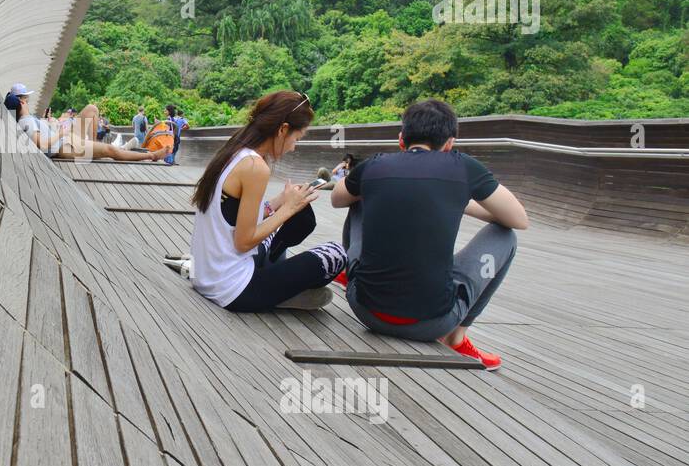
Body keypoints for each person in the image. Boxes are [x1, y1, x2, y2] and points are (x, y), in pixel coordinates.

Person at [329, 99, 529, 370]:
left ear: (401, 140)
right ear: (450, 143)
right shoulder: (463, 167)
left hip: (365, 309)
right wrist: (456, 197)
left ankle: (349, 271)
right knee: (505, 237)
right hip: (433, 322)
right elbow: (518, 219)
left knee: (359, 197)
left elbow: (338, 199)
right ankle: (456, 337)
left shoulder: (375, 164)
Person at [189, 90, 347, 312]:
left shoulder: (234, 151)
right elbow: (243, 242)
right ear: (283, 130)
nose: (293, 147)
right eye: (296, 139)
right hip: (232, 289)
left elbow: (233, 217)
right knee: (337, 253)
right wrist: (289, 209)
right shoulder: (256, 167)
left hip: (204, 274)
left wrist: (280, 201)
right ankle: (279, 294)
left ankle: (278, 286)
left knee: (272, 235)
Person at [8, 84, 161, 162]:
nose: (28, 100)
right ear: (21, 101)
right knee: (110, 150)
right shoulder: (25, 121)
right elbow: (41, 145)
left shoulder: (27, 119)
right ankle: (152, 156)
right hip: (63, 146)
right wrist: (60, 133)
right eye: (26, 98)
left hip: (65, 139)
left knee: (91, 109)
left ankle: (94, 146)